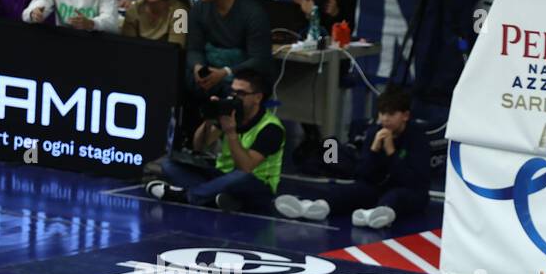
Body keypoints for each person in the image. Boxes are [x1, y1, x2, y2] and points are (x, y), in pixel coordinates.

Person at [275, 85, 430, 229]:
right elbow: (361, 174)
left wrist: (391, 153)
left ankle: (380, 214)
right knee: (352, 190)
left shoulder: (418, 138)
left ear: (405, 116)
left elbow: (412, 181)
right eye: (382, 113)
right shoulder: (374, 133)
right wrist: (373, 151)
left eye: (391, 114)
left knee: (395, 196)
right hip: (378, 190)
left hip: (411, 193)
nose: (385, 119)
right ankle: (316, 206)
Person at [147, 68, 285, 213]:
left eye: (241, 94)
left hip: (256, 185)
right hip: (221, 176)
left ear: (258, 97)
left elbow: (246, 167)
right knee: (170, 164)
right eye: (233, 91)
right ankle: (220, 199)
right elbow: (199, 147)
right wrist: (210, 119)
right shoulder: (229, 112)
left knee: (240, 176)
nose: (234, 97)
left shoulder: (271, 128)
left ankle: (187, 196)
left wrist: (231, 133)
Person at [21, 0, 120, 31]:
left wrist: (91, 24)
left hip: (97, 44)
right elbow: (27, 14)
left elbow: (112, 23)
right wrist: (34, 14)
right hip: (65, 41)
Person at [120, 0, 187, 46]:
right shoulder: (133, 9)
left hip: (168, 56)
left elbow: (177, 49)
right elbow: (128, 46)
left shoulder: (180, 13)